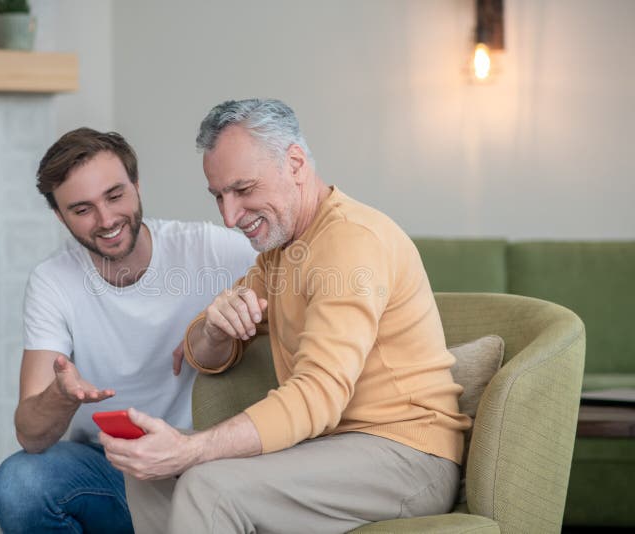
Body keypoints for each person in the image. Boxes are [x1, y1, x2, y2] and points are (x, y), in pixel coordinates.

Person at [99, 99, 472, 533]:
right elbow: (197, 349)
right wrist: (217, 329)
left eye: (243, 190)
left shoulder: (349, 244)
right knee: (149, 474)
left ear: (294, 163)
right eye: (219, 196)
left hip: (406, 457)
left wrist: (193, 448)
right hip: (329, 450)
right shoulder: (282, 251)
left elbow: (319, 394)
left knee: (207, 485)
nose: (229, 216)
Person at [0, 127, 256, 533]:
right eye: (82, 209)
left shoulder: (211, 251)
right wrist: (62, 395)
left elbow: (306, 270)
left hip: (199, 464)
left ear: (136, 185)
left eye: (115, 196)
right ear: (60, 217)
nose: (107, 219)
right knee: (19, 483)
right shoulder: (52, 281)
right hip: (109, 468)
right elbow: (31, 436)